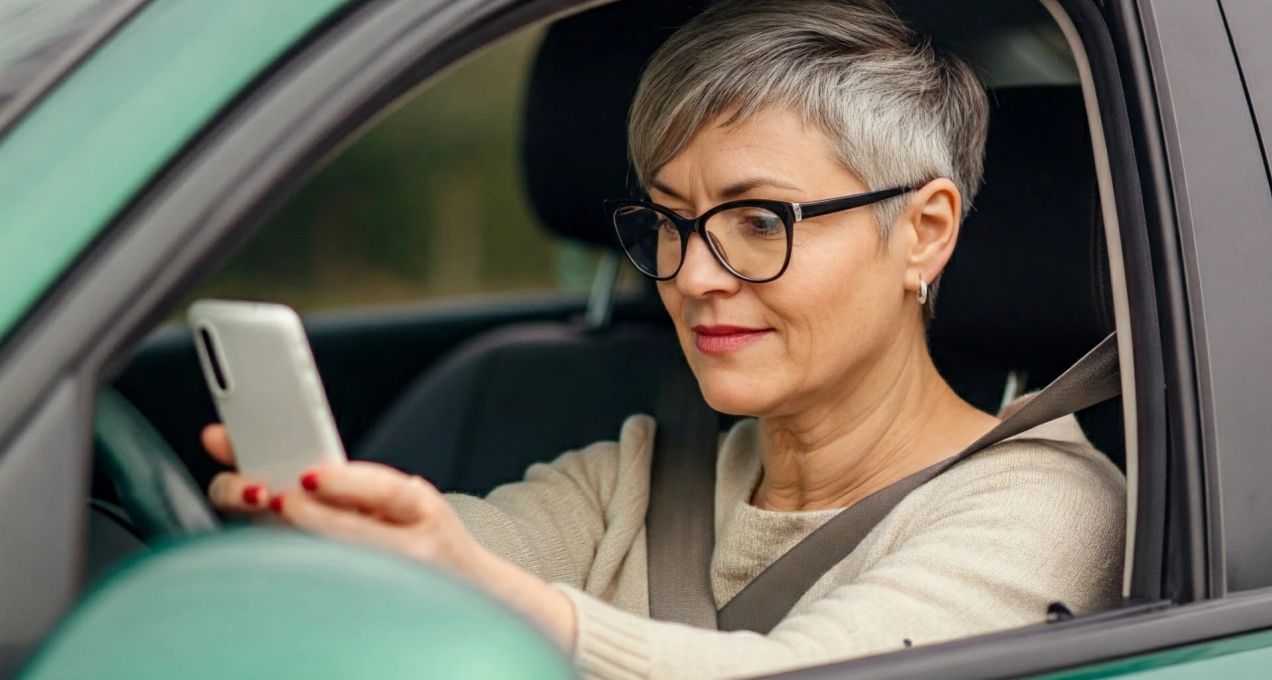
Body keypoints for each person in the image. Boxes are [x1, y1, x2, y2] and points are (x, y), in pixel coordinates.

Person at [203, 0, 1126, 677]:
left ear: (924, 231)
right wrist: (333, 539)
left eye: (760, 221)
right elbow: (461, 547)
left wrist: (509, 606)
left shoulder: (1047, 506)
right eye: (672, 221)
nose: (692, 274)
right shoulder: (644, 473)